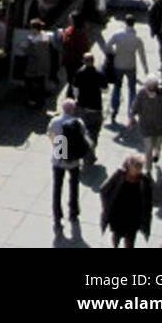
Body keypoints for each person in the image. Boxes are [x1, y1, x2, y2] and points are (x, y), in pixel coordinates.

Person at [48, 98, 92, 228]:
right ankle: (73, 212)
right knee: (74, 186)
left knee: (57, 188)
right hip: (74, 160)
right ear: (73, 109)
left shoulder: (55, 121)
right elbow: (84, 137)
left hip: (59, 158)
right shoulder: (78, 122)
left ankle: (57, 216)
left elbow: (50, 134)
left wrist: (57, 146)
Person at [100, 155, 154, 249]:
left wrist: (146, 218)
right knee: (117, 236)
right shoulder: (119, 175)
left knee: (130, 241)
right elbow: (104, 190)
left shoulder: (144, 180)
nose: (138, 169)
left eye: (140, 167)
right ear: (129, 166)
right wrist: (106, 206)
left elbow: (148, 201)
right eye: (136, 167)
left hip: (134, 216)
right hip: (118, 214)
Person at [106, 13, 148, 122]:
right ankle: (131, 112)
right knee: (132, 90)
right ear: (134, 24)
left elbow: (108, 46)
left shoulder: (118, 35)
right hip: (131, 66)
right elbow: (142, 55)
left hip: (118, 65)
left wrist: (114, 52)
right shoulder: (137, 39)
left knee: (117, 88)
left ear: (125, 23)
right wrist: (145, 69)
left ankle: (114, 110)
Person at [131, 76, 162, 172]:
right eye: (149, 88)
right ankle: (148, 168)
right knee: (148, 148)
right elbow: (135, 105)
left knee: (158, 144)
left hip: (160, 126)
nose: (151, 90)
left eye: (153, 88)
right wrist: (132, 116)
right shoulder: (141, 93)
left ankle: (157, 154)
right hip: (146, 126)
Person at [73, 53, 106, 160]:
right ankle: (90, 152)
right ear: (93, 61)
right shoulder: (99, 73)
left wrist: (77, 99)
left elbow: (75, 89)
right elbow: (105, 89)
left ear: (83, 61)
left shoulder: (79, 73)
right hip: (96, 108)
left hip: (82, 107)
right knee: (94, 132)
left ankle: (85, 152)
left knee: (83, 131)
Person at [22, 18, 55, 108]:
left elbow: (28, 52)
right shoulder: (45, 36)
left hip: (33, 66)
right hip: (43, 65)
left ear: (34, 29)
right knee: (40, 84)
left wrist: (24, 47)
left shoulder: (32, 40)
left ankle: (31, 101)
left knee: (29, 84)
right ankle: (41, 101)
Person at [59, 11, 89, 94]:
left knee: (73, 78)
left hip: (74, 60)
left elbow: (80, 47)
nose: (69, 20)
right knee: (71, 78)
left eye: (70, 18)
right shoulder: (72, 30)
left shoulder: (78, 32)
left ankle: (72, 94)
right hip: (71, 59)